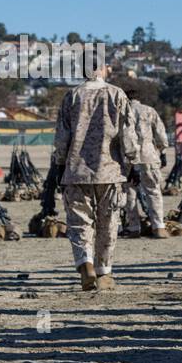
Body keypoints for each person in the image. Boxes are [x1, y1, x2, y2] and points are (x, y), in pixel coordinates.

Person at [51, 51, 137, 291]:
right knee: (108, 222)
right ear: (103, 69)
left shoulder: (72, 96)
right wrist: (133, 162)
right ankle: (104, 271)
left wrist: (59, 164)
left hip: (76, 170)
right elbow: (127, 134)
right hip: (110, 170)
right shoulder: (116, 94)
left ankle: (85, 262)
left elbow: (61, 137)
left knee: (79, 222)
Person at [121, 88, 170, 239]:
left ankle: (134, 227)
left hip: (128, 158)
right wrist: (161, 152)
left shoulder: (122, 112)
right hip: (149, 155)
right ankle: (158, 226)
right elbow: (161, 135)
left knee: (129, 192)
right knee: (153, 191)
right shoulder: (149, 110)